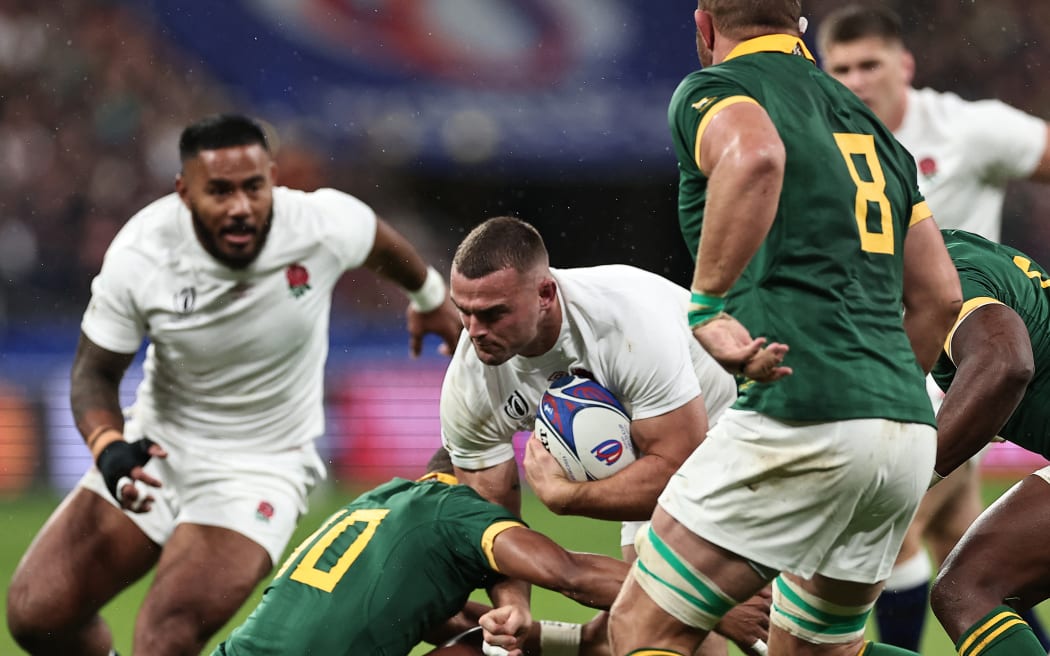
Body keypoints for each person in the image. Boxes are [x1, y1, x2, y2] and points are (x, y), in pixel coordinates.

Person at [5, 113, 463, 656]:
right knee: (36, 613)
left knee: (163, 636)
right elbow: (93, 374)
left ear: (272, 179)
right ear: (184, 192)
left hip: (261, 466)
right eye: (219, 191)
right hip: (158, 449)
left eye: (253, 187)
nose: (241, 206)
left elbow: (380, 243)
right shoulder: (141, 254)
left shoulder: (319, 222)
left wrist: (430, 298)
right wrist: (108, 448)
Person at [606, 1, 962, 655]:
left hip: (801, 411)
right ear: (799, 25)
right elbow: (940, 297)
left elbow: (756, 155)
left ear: (704, 26)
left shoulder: (716, 90)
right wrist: (873, 408)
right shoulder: (870, 124)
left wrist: (707, 305)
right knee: (807, 647)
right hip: (904, 429)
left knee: (642, 627)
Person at [817, 4, 1050, 649]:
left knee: (894, 545)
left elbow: (1006, 362)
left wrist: (913, 472)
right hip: (944, 360)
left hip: (970, 366)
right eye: (844, 69)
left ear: (905, 66)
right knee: (976, 563)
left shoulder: (965, 133)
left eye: (872, 64)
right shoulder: (831, 151)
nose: (859, 80)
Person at [440, 216, 770, 655]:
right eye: (463, 310)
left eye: (493, 313)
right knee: (653, 633)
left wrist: (565, 497)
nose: (475, 330)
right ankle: (579, 642)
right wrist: (513, 604)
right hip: (643, 453)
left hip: (739, 429)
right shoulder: (468, 385)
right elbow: (494, 527)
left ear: (545, 294)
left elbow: (678, 476)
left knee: (781, 637)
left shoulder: (623, 322)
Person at [210, 447, 627, 656]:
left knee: (479, 645)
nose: (513, 495)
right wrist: (683, 585)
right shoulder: (459, 510)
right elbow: (568, 573)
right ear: (475, 470)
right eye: (510, 479)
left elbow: (449, 621)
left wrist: (580, 642)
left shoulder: (383, 499)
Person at [915, 229, 1050, 655]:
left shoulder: (951, 275)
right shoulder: (959, 256)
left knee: (968, 588)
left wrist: (912, 481)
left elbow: (1005, 362)